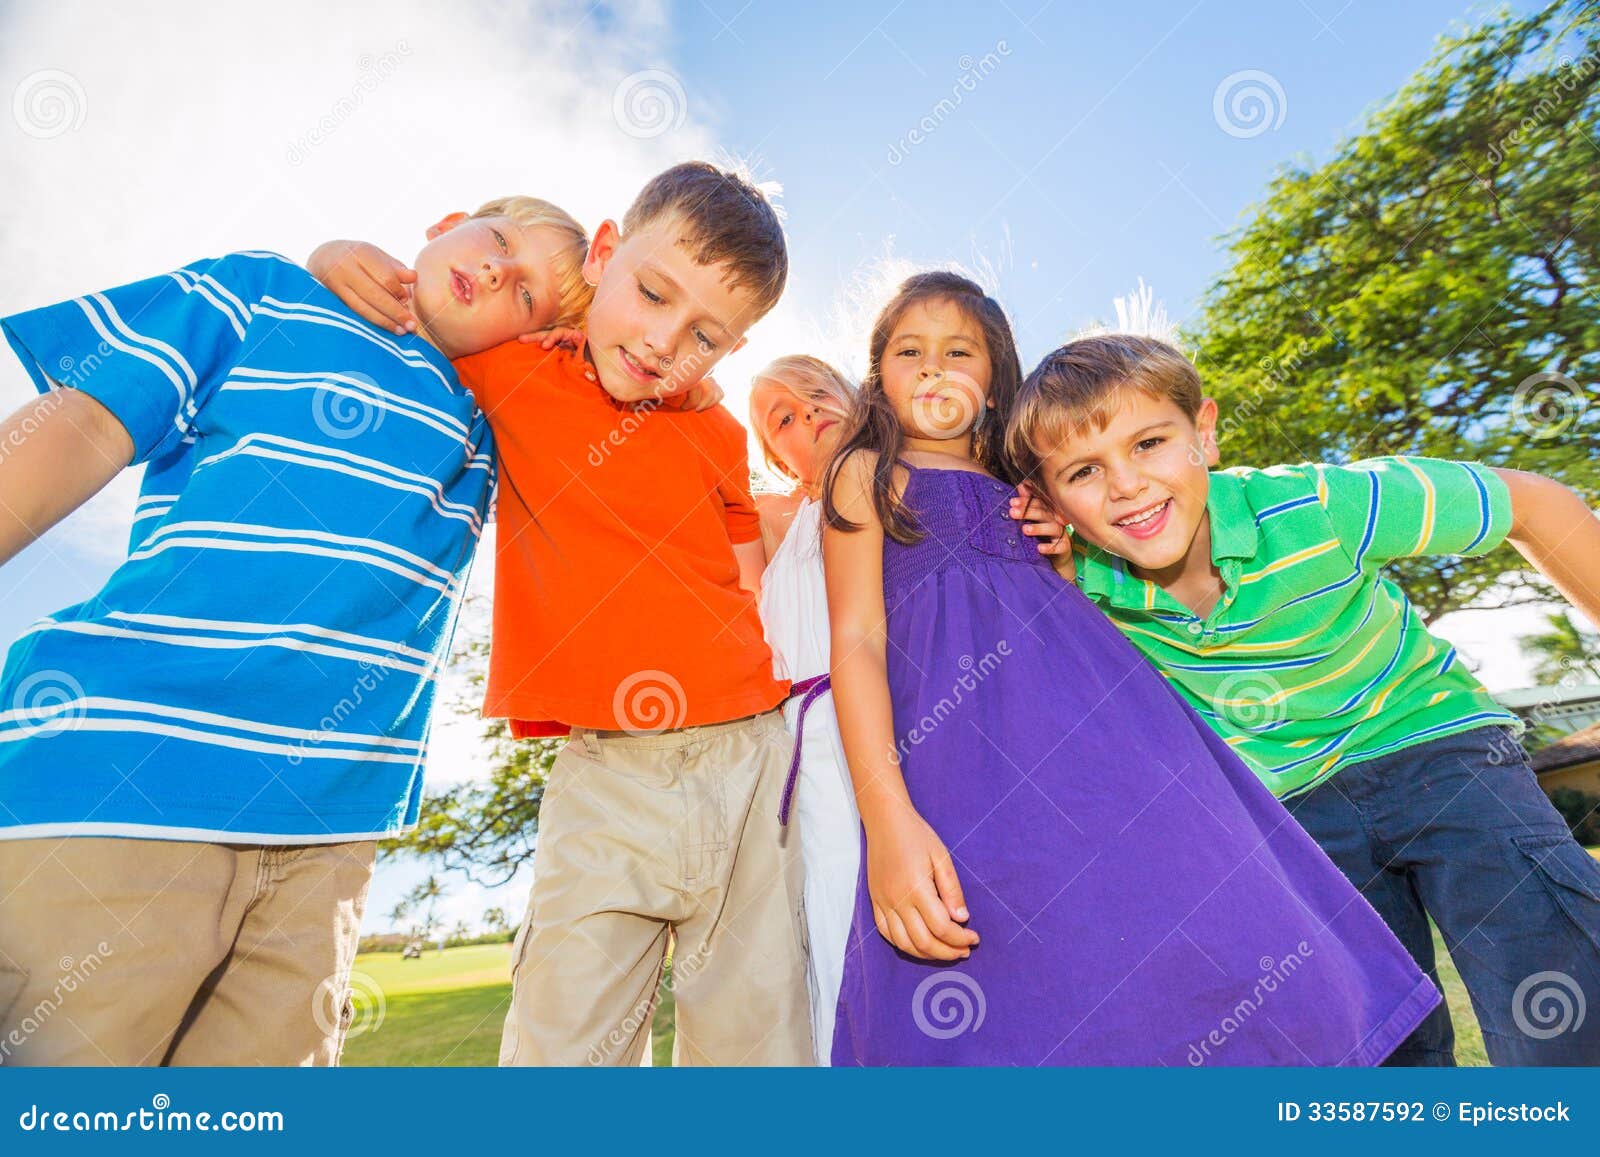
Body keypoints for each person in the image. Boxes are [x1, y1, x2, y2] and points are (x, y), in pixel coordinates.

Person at [0, 196, 593, 1065]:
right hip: (125, 780)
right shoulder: (266, 294)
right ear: (451, 221)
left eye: (532, 296)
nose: (503, 271)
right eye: (501, 242)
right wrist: (324, 262)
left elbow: (628, 392)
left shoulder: (493, 429)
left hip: (326, 845)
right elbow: (86, 421)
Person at [822, 271, 1441, 1065]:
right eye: (911, 350)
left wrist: (1061, 561)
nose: (935, 367)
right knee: (1010, 964)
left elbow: (1058, 619)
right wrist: (889, 820)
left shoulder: (1034, 489)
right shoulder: (868, 473)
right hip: (962, 764)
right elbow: (857, 644)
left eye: (959, 351)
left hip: (1107, 749)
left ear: (994, 375)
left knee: (1184, 914)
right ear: (878, 371)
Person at [316, 162, 811, 1066]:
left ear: (733, 349)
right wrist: (331, 254)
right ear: (608, 253)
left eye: (704, 333)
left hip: (750, 755)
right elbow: (429, 297)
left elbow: (750, 586)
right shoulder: (512, 369)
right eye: (653, 294)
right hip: (606, 775)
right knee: (561, 1044)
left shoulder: (716, 431)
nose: (665, 341)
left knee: (759, 1040)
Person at [1007, 332, 1600, 1064]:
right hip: (1295, 814)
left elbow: (1534, 502)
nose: (1125, 484)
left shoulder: (1318, 504)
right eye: (1084, 471)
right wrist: (1055, 573)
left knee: (1552, 989)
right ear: (1052, 498)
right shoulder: (1086, 589)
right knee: (1379, 1041)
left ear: (1206, 433)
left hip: (1438, 751)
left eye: (1151, 442)